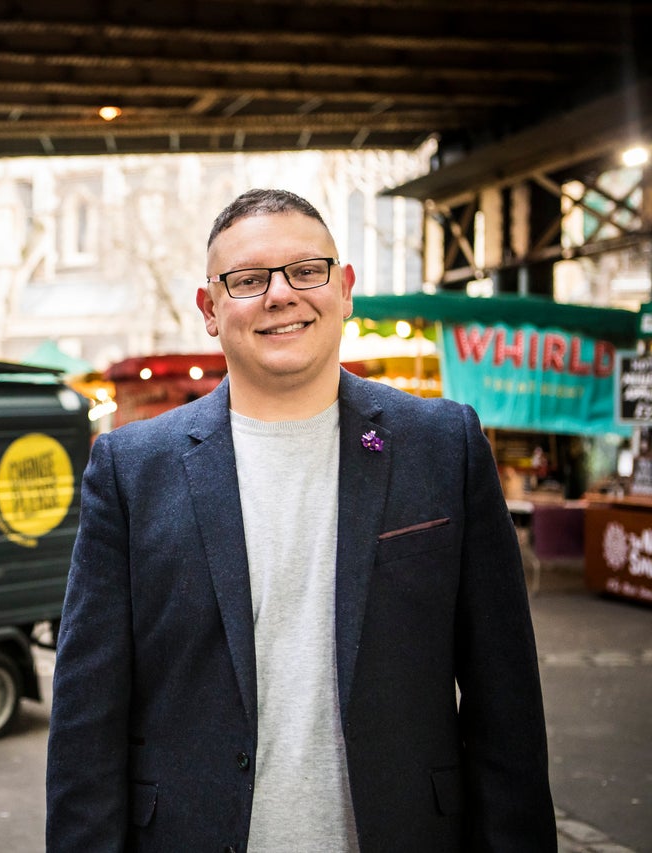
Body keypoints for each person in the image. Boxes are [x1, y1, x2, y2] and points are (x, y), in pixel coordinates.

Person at [45, 189, 555, 852]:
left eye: (307, 270)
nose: (282, 295)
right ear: (210, 308)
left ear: (344, 288)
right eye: (249, 279)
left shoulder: (442, 445)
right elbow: (88, 720)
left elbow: (505, 703)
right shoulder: (132, 469)